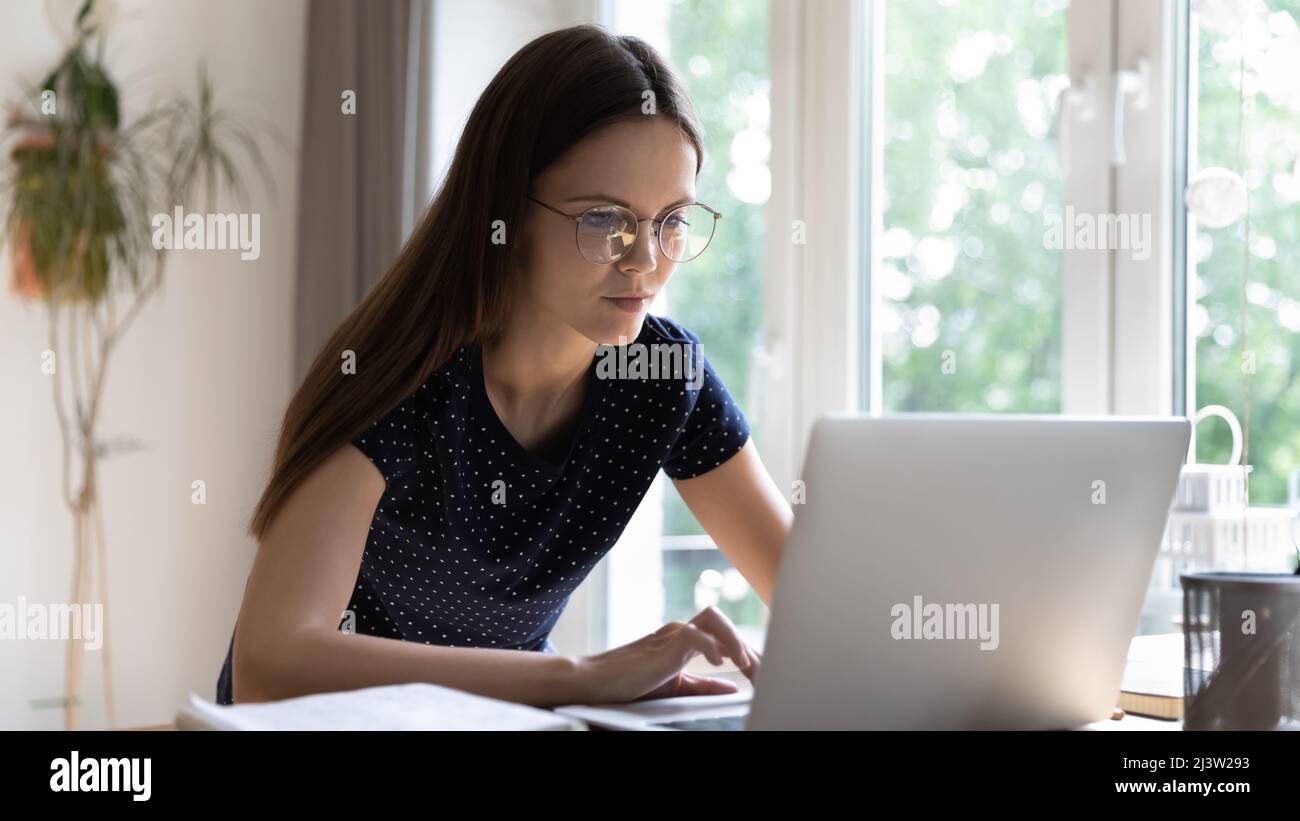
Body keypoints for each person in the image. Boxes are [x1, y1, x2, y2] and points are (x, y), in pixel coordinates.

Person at [217, 23, 793, 708]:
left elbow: (820, 611)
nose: (644, 261)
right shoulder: (398, 380)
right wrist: (582, 678)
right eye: (604, 218)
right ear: (508, 213)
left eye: (672, 220)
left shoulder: (662, 378)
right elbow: (271, 661)